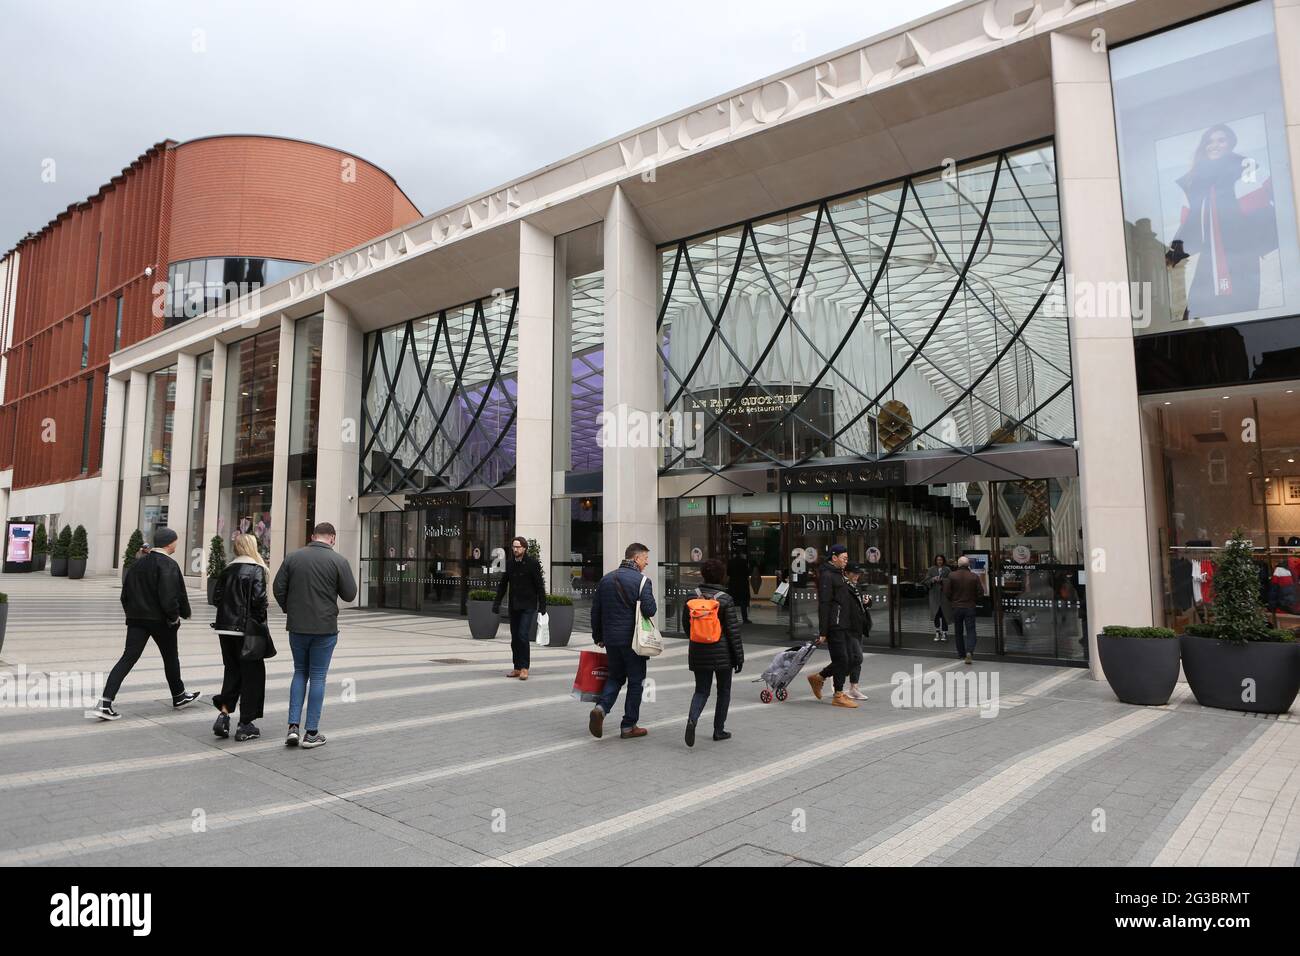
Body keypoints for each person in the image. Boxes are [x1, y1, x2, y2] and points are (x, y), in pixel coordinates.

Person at [93, 527, 200, 720]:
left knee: (127, 658)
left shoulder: (138, 564)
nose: (177, 543)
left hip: (137, 620)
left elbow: (125, 595)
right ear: (169, 543)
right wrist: (174, 617)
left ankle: (105, 702)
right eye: (176, 541)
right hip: (160, 621)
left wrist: (132, 614)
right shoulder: (168, 564)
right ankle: (179, 696)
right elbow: (169, 596)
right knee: (170, 658)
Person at [273, 522, 358, 748]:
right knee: (318, 677)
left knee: (300, 672)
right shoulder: (339, 561)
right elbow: (350, 595)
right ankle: (311, 733)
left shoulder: (293, 557)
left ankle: (292, 727)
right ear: (332, 538)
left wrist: (289, 609)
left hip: (297, 627)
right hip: (325, 628)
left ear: (313, 536)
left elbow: (277, 588)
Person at [588, 542, 657, 740]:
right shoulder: (642, 581)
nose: (646, 563)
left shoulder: (606, 580)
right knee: (636, 682)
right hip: (634, 641)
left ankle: (601, 708)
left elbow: (596, 611)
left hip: (611, 640)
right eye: (645, 559)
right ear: (636, 558)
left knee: (615, 677)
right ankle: (628, 726)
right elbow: (650, 610)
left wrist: (598, 636)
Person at [210, 533, 271, 741]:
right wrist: (260, 621)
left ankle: (224, 714)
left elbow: (216, 598)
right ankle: (246, 723)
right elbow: (259, 601)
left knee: (232, 671)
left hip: (225, 629)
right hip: (247, 631)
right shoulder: (257, 569)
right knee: (253, 675)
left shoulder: (227, 569)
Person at [680, 559, 744, 747]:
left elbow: (687, 625)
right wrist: (739, 657)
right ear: (722, 576)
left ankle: (692, 720)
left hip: (698, 650)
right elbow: (733, 631)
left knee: (701, 690)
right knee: (723, 691)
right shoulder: (725, 599)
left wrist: (699, 639)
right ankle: (719, 730)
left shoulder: (692, 596)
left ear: (703, 574)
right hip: (723, 653)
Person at [808, 544, 856, 706]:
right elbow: (824, 603)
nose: (846, 561)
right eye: (844, 558)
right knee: (841, 659)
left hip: (844, 623)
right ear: (834, 558)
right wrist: (823, 631)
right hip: (834, 624)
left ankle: (819, 678)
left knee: (849, 659)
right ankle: (838, 695)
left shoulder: (839, 573)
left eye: (847, 558)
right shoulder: (828, 575)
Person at [493, 535, 547, 680]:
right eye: (514, 547)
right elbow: (503, 584)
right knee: (515, 637)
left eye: (518, 547)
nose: (515, 549)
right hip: (514, 606)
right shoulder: (510, 564)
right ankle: (516, 667)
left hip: (528, 605)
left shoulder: (532, 564)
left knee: (523, 636)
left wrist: (542, 605)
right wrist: (497, 603)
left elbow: (539, 586)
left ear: (524, 548)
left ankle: (524, 668)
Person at [944, 555, 985, 665]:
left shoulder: (951, 575)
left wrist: (953, 600)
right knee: (971, 630)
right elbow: (981, 592)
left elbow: (947, 592)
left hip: (956, 607)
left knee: (958, 631)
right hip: (970, 607)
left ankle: (961, 653)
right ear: (968, 565)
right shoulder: (974, 576)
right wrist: (974, 600)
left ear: (958, 564)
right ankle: (969, 652)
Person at [845, 562, 872, 701]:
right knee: (857, 657)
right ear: (847, 573)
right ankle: (830, 673)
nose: (856, 576)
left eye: (858, 574)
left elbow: (859, 604)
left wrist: (867, 602)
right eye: (854, 573)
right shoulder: (844, 587)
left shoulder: (856, 587)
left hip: (859, 626)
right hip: (849, 628)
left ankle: (854, 688)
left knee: (856, 659)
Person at [926, 554, 952, 643]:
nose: (939, 561)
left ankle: (944, 632)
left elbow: (951, 580)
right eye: (938, 560)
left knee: (945, 614)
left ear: (943, 560)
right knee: (936, 614)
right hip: (934, 595)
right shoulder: (931, 569)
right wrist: (933, 579)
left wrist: (942, 580)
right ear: (935, 561)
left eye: (941, 560)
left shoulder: (947, 569)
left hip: (944, 596)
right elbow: (926, 581)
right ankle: (937, 632)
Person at [726, 554, 752, 624]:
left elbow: (728, 573)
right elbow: (747, 572)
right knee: (743, 602)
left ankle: (731, 619)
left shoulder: (730, 562)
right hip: (742, 584)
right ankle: (745, 619)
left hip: (733, 584)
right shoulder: (744, 562)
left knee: (732, 602)